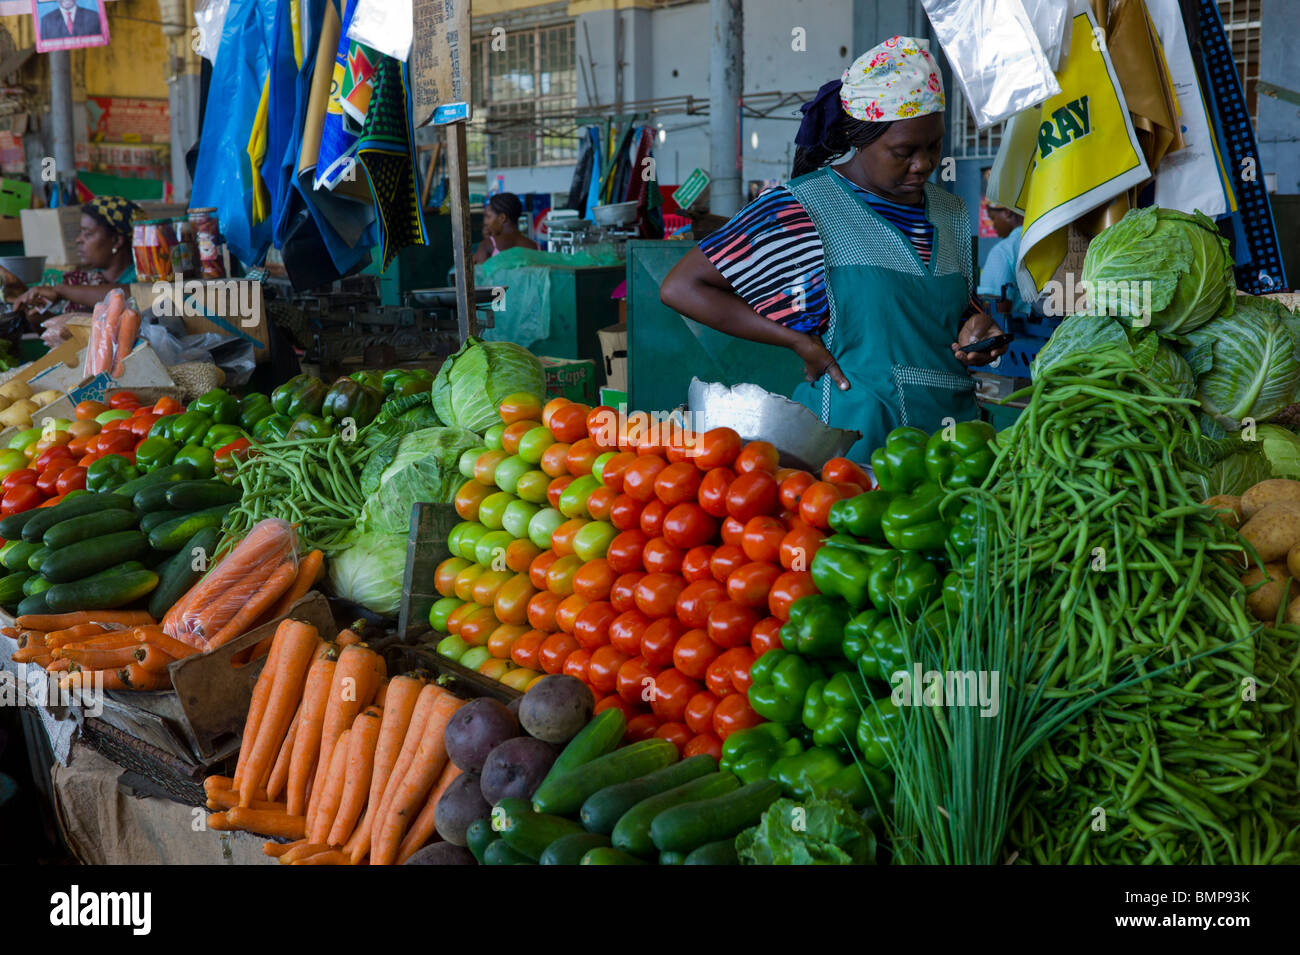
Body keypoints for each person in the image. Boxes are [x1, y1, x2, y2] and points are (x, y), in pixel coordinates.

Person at [659, 37, 1006, 459]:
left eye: (933, 146)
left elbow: (948, 308)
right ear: (861, 138)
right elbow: (681, 287)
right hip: (853, 444)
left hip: (951, 444)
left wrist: (977, 327)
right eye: (904, 152)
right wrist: (795, 340)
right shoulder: (805, 207)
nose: (924, 164)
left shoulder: (951, 212)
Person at [11, 195, 140, 323]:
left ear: (116, 240)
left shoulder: (142, 277)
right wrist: (38, 317)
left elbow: (130, 296)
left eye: (87, 233)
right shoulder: (88, 281)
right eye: (80, 232)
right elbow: (69, 337)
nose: (78, 240)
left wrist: (59, 290)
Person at [978, 201, 1028, 314]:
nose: (993, 225)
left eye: (993, 218)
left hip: (1020, 331)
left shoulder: (1003, 251)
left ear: (1007, 211)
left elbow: (996, 313)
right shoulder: (1046, 242)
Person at [473, 193, 537, 264]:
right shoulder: (536, 247)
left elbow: (480, 273)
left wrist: (488, 241)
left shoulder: (488, 245)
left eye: (488, 217)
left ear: (502, 218)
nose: (485, 222)